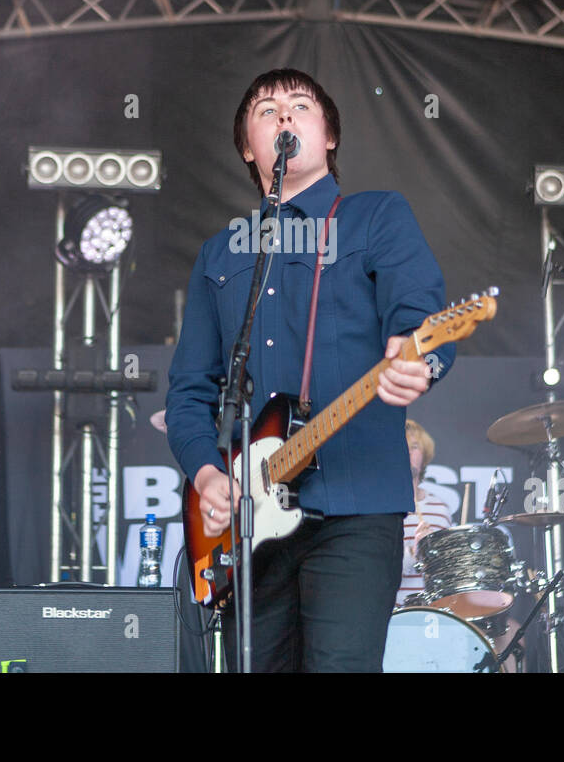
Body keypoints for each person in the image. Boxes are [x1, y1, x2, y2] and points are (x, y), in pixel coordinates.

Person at [164, 67, 455, 672]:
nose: (285, 116)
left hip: (355, 505)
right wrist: (207, 476)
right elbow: (192, 389)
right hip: (250, 527)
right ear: (249, 146)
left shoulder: (376, 216)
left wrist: (417, 358)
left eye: (301, 106)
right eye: (266, 111)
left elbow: (419, 312)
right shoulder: (221, 252)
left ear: (329, 139)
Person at [396, 419, 454, 607]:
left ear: (424, 455)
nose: (408, 452)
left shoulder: (440, 508)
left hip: (433, 613)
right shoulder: (383, 507)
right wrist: (415, 552)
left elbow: (446, 572)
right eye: (402, 446)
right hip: (394, 612)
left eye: (414, 447)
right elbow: (377, 571)